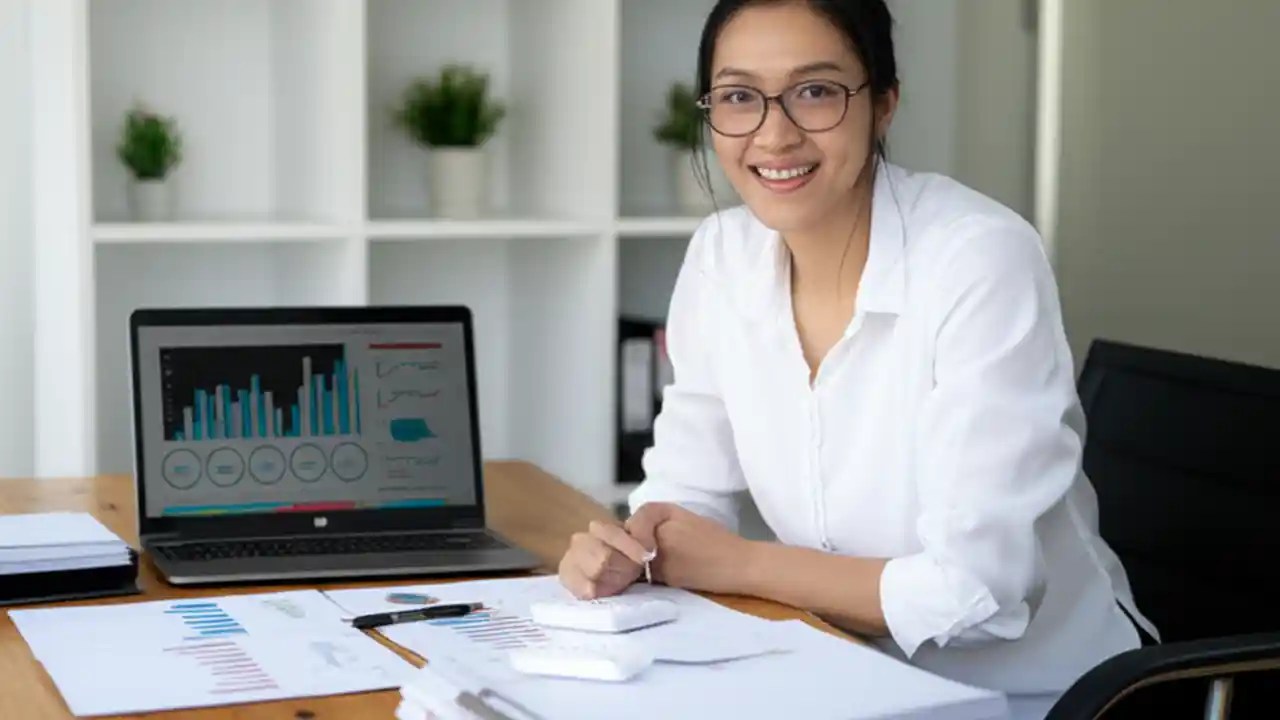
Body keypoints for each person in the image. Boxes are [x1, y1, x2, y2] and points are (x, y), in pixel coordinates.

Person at [558, 0, 1158, 713]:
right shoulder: (722, 258)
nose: (773, 135)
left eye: (815, 91)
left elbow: (974, 595)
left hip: (1044, 694)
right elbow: (688, 494)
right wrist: (637, 551)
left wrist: (742, 563)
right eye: (740, 97)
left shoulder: (977, 259)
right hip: (840, 671)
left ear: (883, 105)